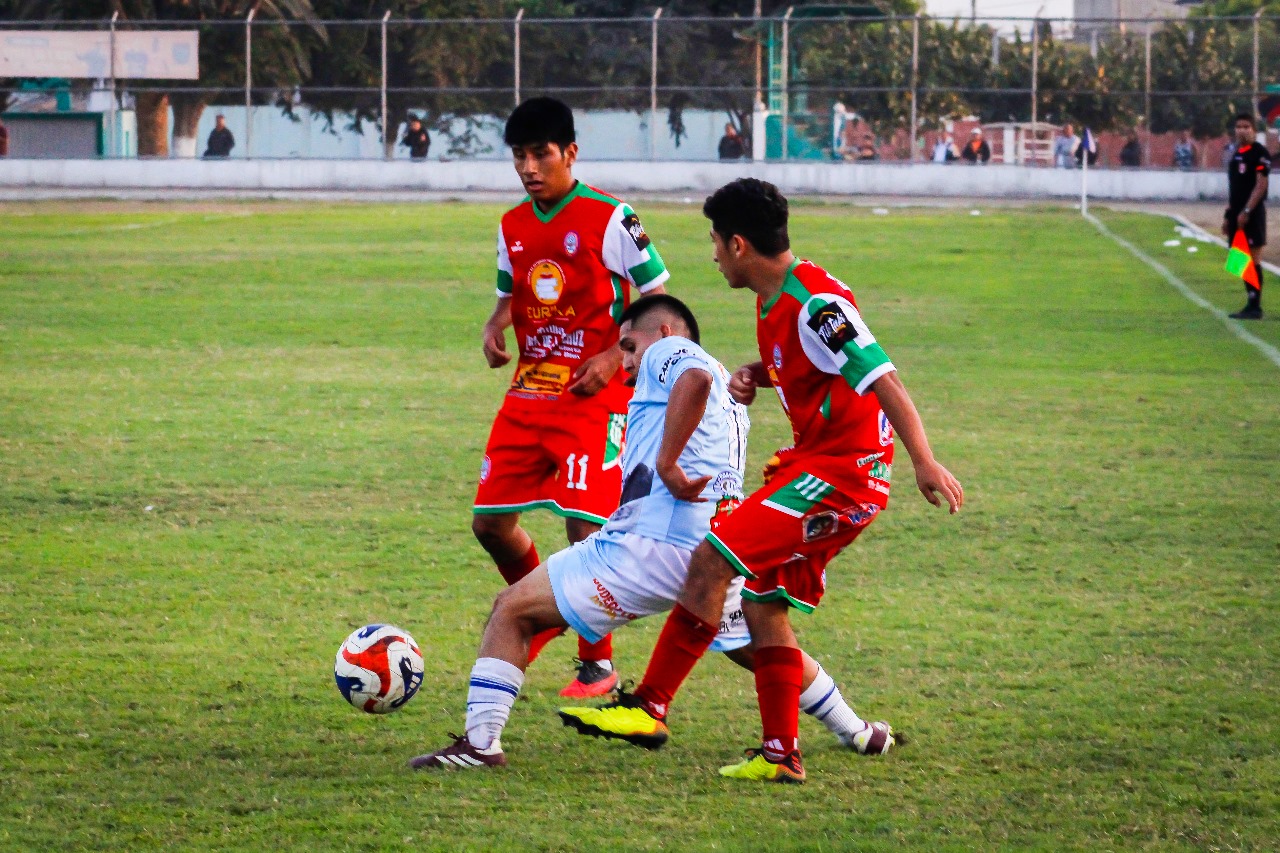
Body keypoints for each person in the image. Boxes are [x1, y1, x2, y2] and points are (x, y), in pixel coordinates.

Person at [560, 178, 963, 784]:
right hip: (814, 465)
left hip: (843, 475)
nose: (713, 255)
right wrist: (760, 373)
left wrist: (923, 460)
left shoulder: (816, 304)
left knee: (712, 558)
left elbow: (884, 379)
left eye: (715, 242)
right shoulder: (773, 301)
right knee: (762, 603)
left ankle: (649, 706)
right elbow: (814, 368)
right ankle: (781, 755)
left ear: (739, 244)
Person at [409, 295, 886, 770]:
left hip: (649, 546)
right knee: (759, 646)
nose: (627, 362)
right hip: (714, 552)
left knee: (512, 610)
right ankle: (858, 730)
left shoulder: (672, 352)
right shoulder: (724, 379)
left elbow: (692, 378)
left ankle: (481, 744)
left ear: (663, 333)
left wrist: (667, 462)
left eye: (629, 347)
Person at [472, 97, 671, 698]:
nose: (529, 168)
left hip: (595, 395)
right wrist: (496, 325)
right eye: (519, 156)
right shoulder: (512, 224)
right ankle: (542, 604)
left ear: (570, 153)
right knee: (490, 525)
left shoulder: (612, 218)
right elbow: (510, 293)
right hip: (529, 393)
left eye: (541, 154)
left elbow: (658, 300)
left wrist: (614, 357)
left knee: (586, 527)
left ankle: (597, 664)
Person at [1223, 113, 1270, 320]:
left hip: (1252, 213)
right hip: (1236, 213)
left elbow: (1261, 184)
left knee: (1253, 257)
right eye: (1238, 127)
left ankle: (1255, 306)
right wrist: (1228, 215)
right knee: (1239, 259)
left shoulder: (1260, 153)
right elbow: (1234, 189)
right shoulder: (1236, 154)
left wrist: (1247, 211)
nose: (1242, 130)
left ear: (1254, 130)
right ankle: (1250, 303)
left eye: (1246, 126)